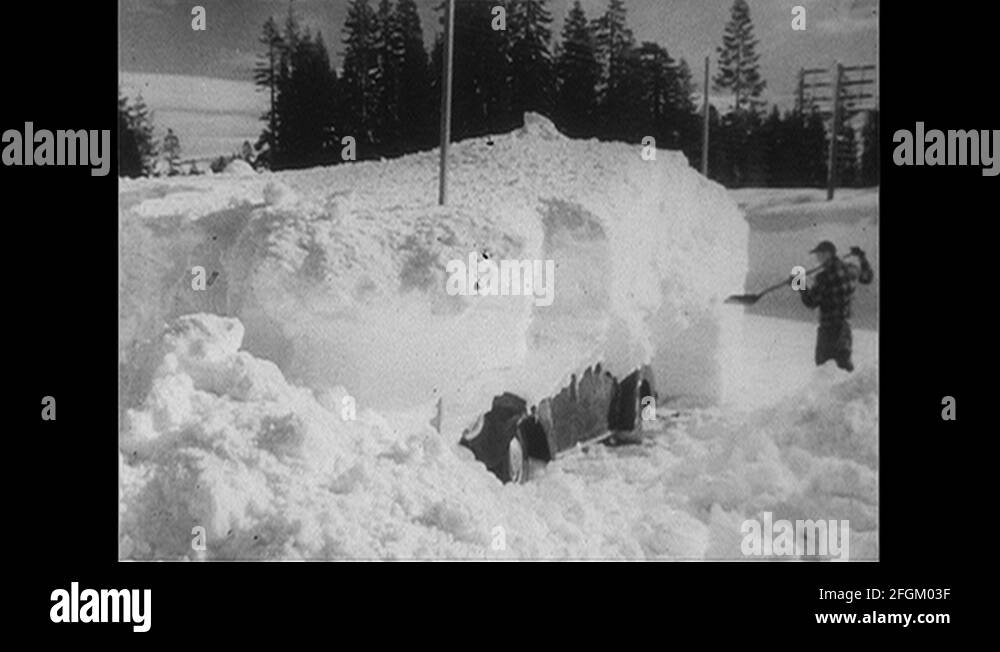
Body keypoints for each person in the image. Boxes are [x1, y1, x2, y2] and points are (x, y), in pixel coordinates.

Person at [798, 241, 873, 372]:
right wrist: (861, 256)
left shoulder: (824, 277)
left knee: (824, 372)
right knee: (844, 368)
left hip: (828, 330)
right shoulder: (851, 269)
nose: (818, 258)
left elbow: (810, 302)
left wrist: (799, 284)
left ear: (827, 254)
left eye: (819, 255)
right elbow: (867, 277)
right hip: (844, 329)